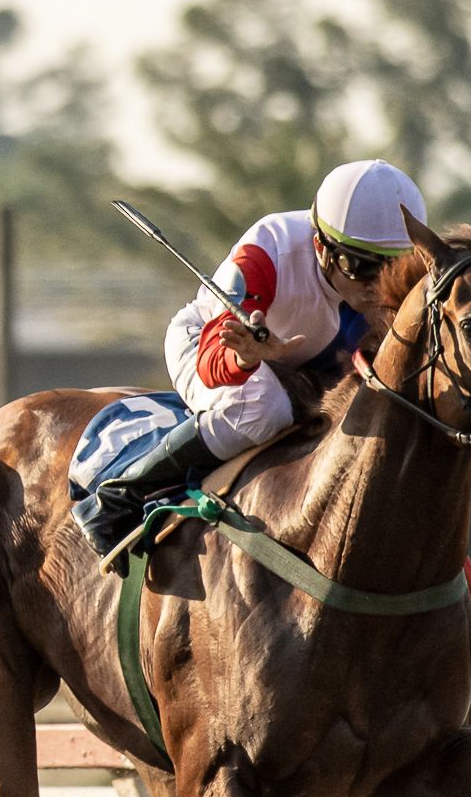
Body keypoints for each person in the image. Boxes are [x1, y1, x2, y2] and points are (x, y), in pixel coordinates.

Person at [73, 159, 428, 555]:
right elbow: (211, 360)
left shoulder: (401, 284)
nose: (376, 286)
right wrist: (245, 359)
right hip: (205, 347)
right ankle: (116, 497)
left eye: (393, 267)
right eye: (359, 266)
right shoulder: (268, 248)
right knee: (265, 407)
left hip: (306, 373)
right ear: (320, 245)